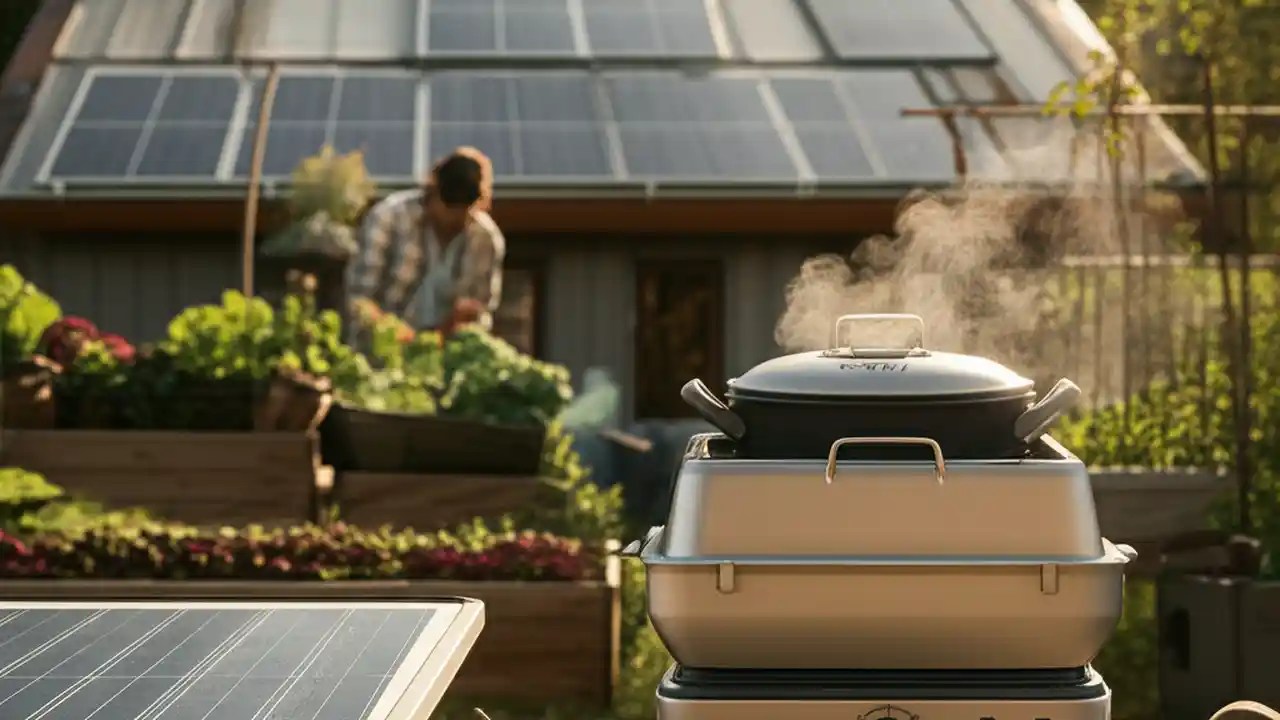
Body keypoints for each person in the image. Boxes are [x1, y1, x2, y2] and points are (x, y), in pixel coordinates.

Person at [346, 146, 505, 339]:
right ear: (433, 190)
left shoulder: (486, 239)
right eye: (448, 207)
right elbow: (359, 298)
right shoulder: (388, 218)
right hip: (381, 351)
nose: (454, 217)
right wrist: (394, 333)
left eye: (464, 210)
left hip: (447, 355)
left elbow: (481, 308)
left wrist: (460, 322)